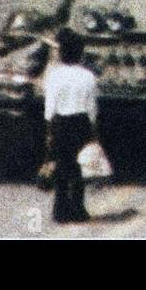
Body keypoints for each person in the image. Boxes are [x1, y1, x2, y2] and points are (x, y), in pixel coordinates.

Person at [42, 28, 99, 224]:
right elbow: (92, 109)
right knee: (79, 168)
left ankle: (60, 209)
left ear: (61, 53)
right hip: (81, 123)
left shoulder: (54, 76)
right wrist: (93, 133)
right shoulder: (88, 76)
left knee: (61, 166)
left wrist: (49, 132)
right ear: (80, 54)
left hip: (60, 123)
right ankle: (78, 209)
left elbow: (49, 108)